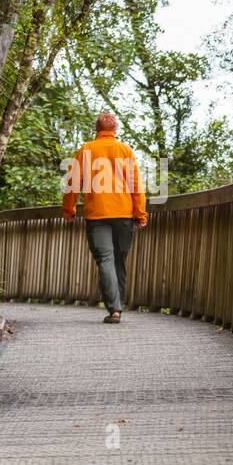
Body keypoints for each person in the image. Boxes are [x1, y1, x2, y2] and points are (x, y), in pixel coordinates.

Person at [62, 113, 148, 323]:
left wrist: (69, 210)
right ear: (115, 129)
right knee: (119, 260)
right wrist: (140, 214)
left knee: (106, 260)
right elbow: (136, 185)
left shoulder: (86, 150)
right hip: (124, 214)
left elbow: (73, 182)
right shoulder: (125, 150)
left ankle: (115, 309)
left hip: (97, 215)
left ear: (96, 129)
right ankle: (118, 305)